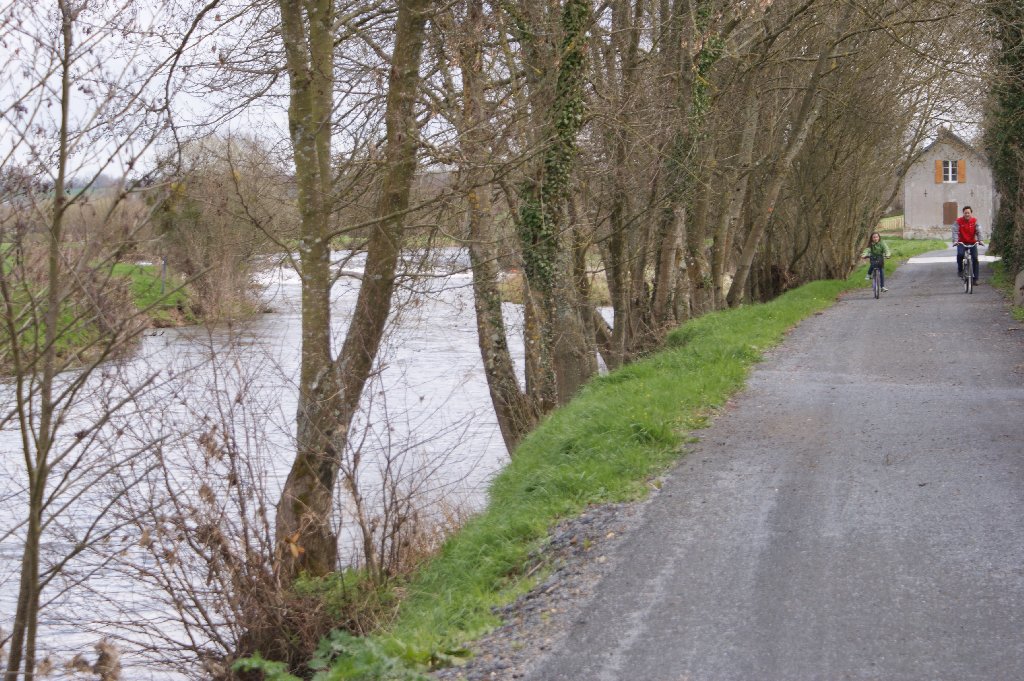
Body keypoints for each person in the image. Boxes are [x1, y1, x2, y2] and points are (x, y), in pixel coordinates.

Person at [953, 206, 984, 284]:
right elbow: (955, 231)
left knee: (975, 258)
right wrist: (955, 241)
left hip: (972, 242)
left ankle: (975, 279)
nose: (967, 214)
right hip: (961, 242)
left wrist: (980, 240)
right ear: (963, 213)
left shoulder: (974, 221)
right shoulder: (958, 221)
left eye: (968, 213)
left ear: (971, 213)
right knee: (960, 254)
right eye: (965, 213)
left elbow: (979, 231)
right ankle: (960, 270)